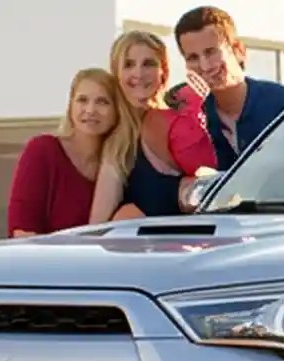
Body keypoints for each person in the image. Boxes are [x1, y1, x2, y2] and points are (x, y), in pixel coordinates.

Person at [89, 30, 217, 223]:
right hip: (135, 248)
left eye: (149, 64)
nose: (138, 74)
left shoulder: (181, 121)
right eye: (129, 65)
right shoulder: (117, 141)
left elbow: (212, 184)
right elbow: (97, 226)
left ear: (163, 71)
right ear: (117, 73)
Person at [6, 68, 135, 237]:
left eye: (102, 102)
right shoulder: (43, 151)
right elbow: (22, 232)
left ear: (118, 111)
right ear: (70, 106)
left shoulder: (122, 164)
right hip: (43, 261)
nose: (90, 110)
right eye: (82, 100)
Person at [173, 6, 284, 172]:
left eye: (211, 52)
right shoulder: (190, 120)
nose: (205, 66)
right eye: (193, 58)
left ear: (239, 50)